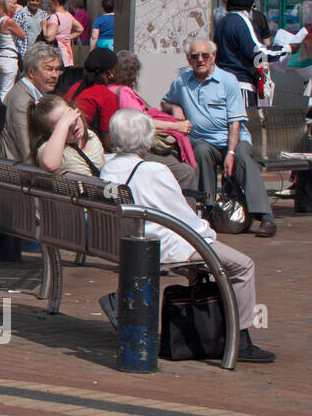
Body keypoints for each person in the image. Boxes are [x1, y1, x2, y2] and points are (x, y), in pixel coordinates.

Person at [101, 109, 274, 363]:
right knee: (242, 266)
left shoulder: (107, 168)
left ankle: (204, 332)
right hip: (163, 245)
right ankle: (240, 339)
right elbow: (184, 218)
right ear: (148, 138)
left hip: (129, 244)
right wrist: (208, 233)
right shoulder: (153, 170)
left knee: (204, 264)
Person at [161, 39, 276, 237]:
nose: (200, 60)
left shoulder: (228, 80)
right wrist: (174, 108)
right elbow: (165, 103)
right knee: (200, 150)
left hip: (234, 138)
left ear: (213, 57)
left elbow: (235, 122)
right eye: (195, 56)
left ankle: (266, 217)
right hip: (204, 141)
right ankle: (208, 208)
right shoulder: (181, 82)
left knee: (242, 159)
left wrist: (230, 152)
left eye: (205, 55)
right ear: (188, 59)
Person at [108, 50, 198, 192]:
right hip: (137, 149)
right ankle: (187, 209)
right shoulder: (124, 93)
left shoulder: (111, 89)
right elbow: (143, 122)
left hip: (125, 148)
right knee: (186, 171)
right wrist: (176, 126)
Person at [214, 0, 287, 107]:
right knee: (244, 124)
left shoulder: (223, 21)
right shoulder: (242, 21)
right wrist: (286, 49)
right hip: (241, 84)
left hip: (223, 83)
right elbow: (256, 52)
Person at [2, 42, 63, 160]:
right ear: (31, 72)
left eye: (57, 70)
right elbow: (27, 151)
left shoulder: (37, 95)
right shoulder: (22, 102)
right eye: (49, 69)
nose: (55, 75)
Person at [29, 93, 104, 177]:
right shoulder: (50, 149)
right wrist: (63, 124)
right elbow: (49, 164)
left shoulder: (91, 135)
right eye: (62, 123)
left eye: (70, 115)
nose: (72, 124)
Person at [63, 47, 122, 134]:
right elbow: (108, 139)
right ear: (111, 72)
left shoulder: (74, 87)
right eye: (117, 69)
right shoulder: (107, 97)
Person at [0, 0, 27, 99]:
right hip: (9, 57)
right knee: (6, 92)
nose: (15, 6)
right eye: (13, 3)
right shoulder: (9, 21)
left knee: (0, 90)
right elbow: (22, 35)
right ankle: (3, 115)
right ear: (7, 4)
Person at [42, 0, 83, 67]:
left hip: (57, 55)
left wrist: (43, 25)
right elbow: (80, 28)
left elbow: (48, 37)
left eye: (50, 1)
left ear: (55, 2)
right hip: (68, 56)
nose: (49, 4)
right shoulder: (69, 15)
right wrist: (69, 37)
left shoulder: (54, 17)